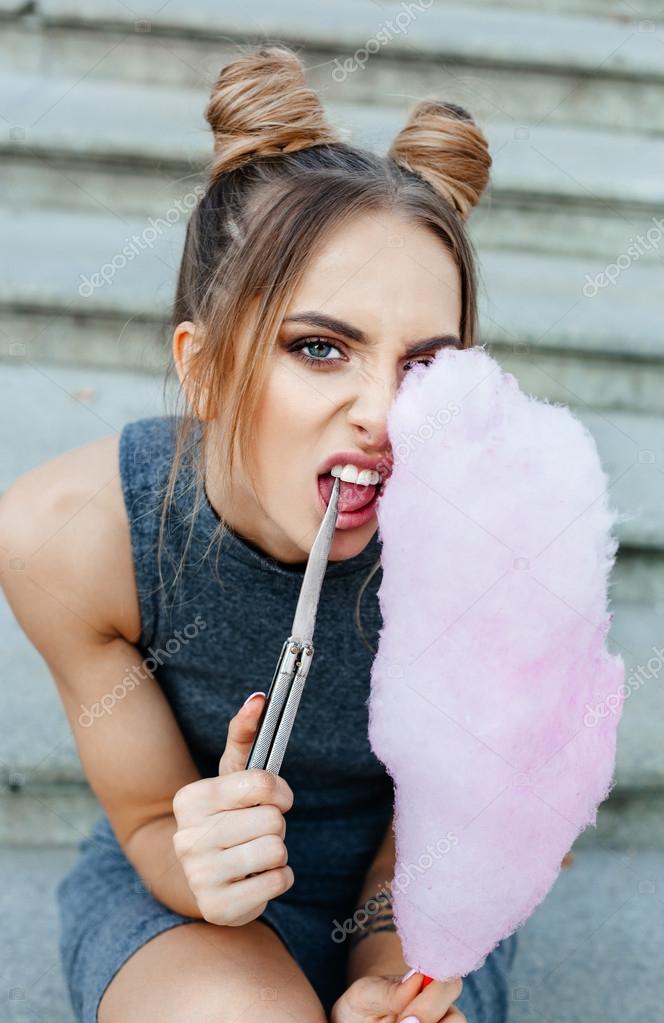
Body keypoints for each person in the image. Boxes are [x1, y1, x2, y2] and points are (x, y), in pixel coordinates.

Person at [0, 43, 527, 1023]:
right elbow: (154, 817)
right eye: (319, 348)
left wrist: (384, 972)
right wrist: (194, 864)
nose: (385, 413)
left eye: (424, 366)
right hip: (183, 891)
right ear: (201, 368)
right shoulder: (72, 537)